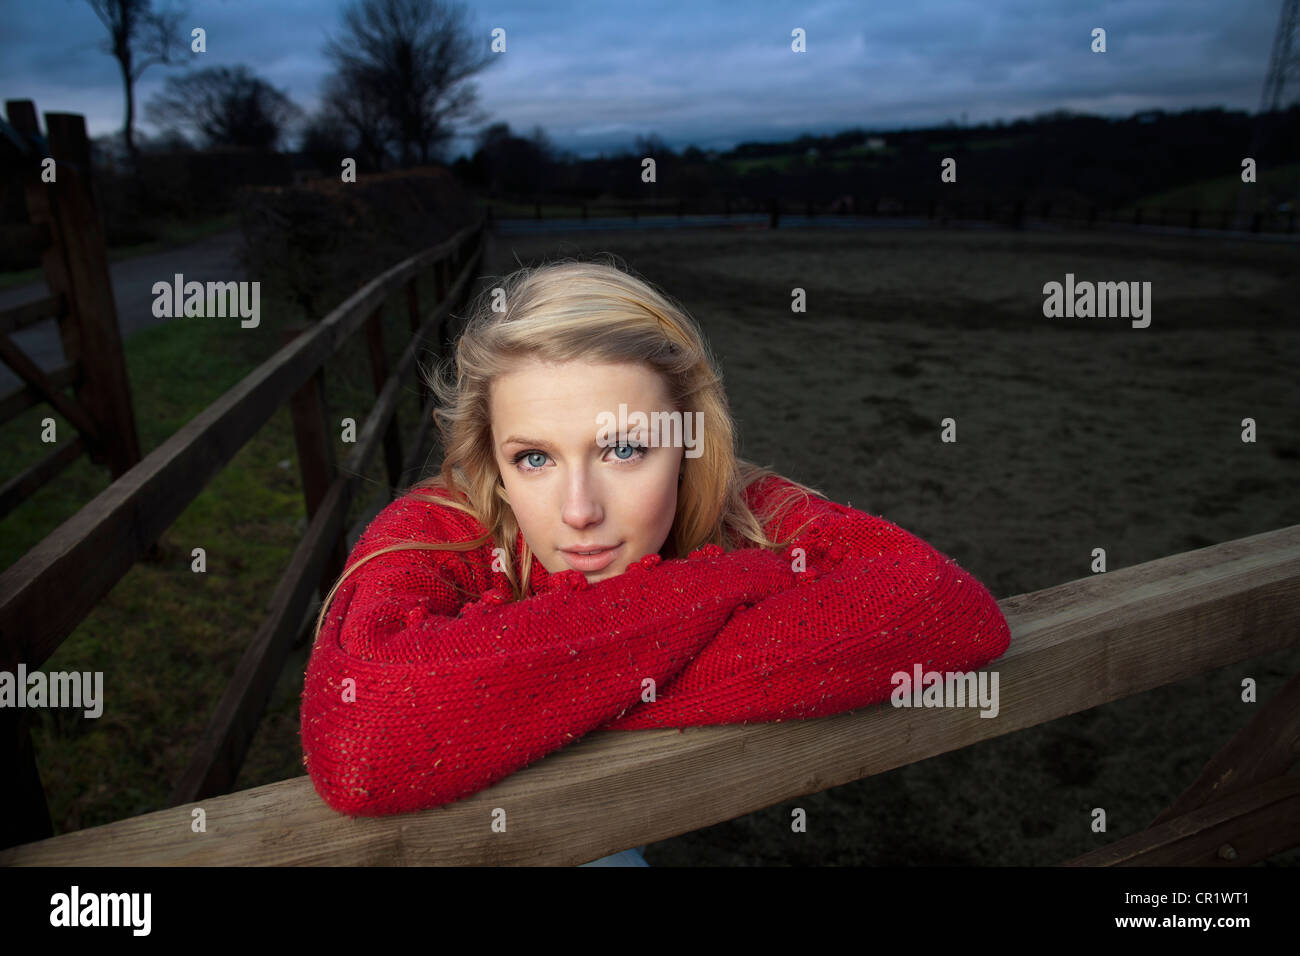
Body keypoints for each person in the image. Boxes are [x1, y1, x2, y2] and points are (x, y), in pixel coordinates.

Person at [299, 256, 1012, 866]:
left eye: (625, 449)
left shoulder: (745, 504)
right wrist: (738, 583)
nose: (579, 510)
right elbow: (364, 740)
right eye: (535, 457)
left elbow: (942, 607)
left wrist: (525, 691)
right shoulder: (436, 530)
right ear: (490, 458)